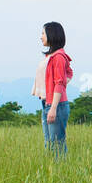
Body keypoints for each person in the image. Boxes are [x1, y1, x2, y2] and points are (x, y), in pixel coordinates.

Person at [31, 22, 73, 157]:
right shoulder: (51, 56)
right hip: (47, 103)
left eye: (43, 33)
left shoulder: (58, 57)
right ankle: (51, 169)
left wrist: (53, 107)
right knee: (49, 144)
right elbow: (69, 73)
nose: (41, 37)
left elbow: (60, 82)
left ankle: (61, 169)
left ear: (52, 34)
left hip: (56, 105)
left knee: (57, 145)